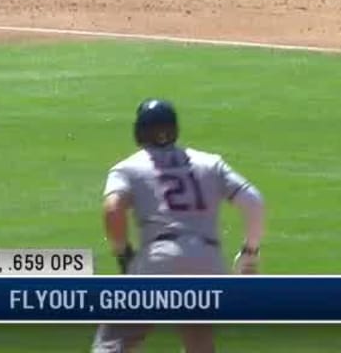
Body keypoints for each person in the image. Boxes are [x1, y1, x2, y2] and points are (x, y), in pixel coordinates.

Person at [92, 100, 264, 353]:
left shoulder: (128, 167)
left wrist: (122, 252)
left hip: (159, 259)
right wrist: (250, 252)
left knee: (114, 340)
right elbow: (253, 201)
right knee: (198, 339)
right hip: (208, 262)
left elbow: (112, 209)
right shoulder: (209, 162)